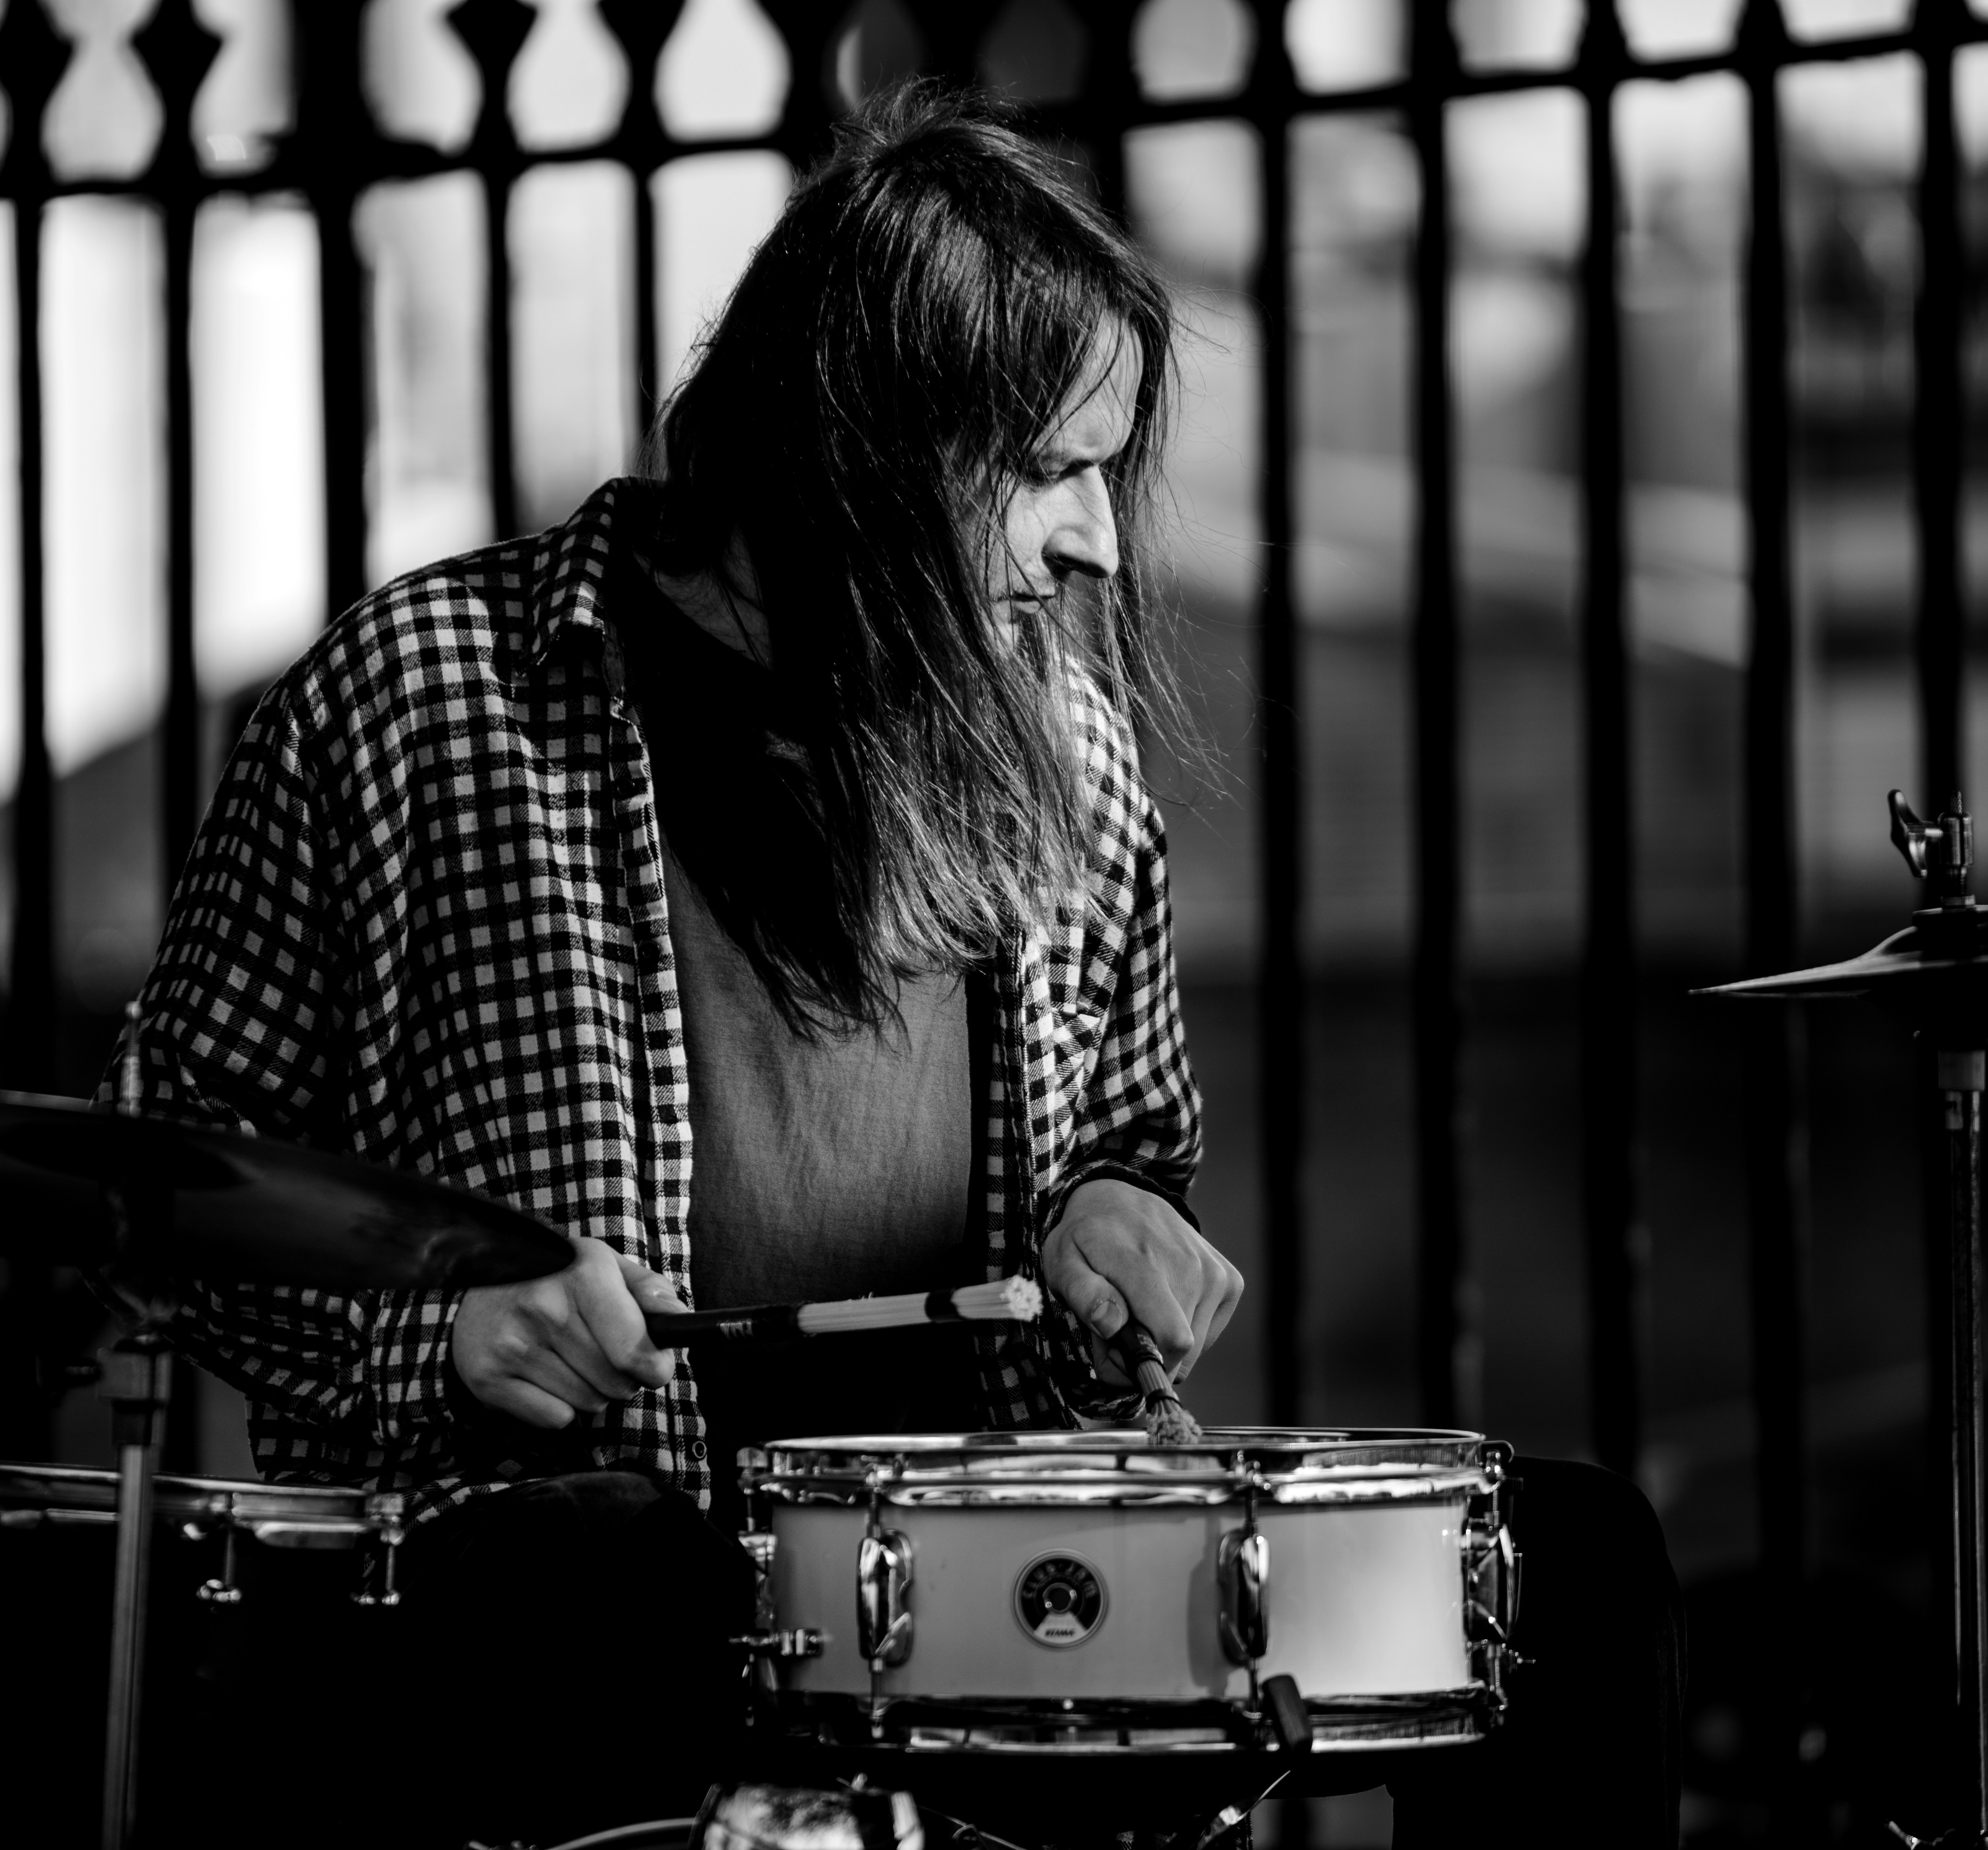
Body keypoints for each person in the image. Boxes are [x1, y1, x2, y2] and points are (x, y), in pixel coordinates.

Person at [114, 83, 1676, 1850]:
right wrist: (443, 1328)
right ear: (865, 449)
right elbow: (168, 1172)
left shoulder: (1066, 740)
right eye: (1055, 473)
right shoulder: (422, 697)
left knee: (1576, 1567)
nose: (1097, 543)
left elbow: (1127, 1145)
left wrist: (1111, 1221)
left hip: (974, 1581)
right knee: (606, 1567)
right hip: (587, 1580)